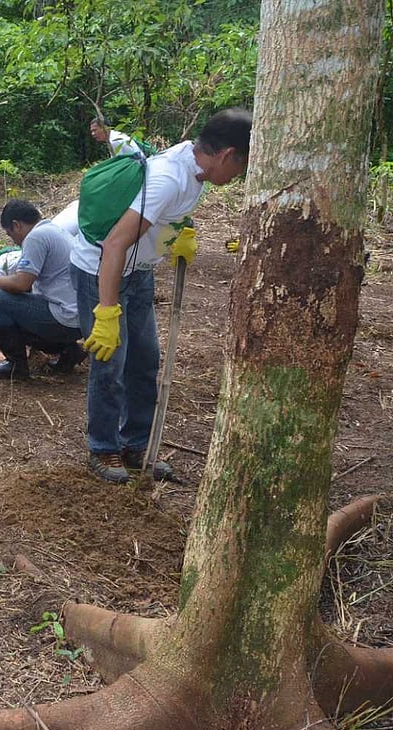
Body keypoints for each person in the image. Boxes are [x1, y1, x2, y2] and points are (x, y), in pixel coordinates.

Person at [72, 107, 252, 484]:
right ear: (226, 154)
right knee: (111, 362)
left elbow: (163, 211)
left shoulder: (193, 162)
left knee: (145, 360)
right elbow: (114, 245)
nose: (238, 176)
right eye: (241, 166)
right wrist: (107, 313)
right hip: (102, 271)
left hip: (138, 273)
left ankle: (137, 444)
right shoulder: (168, 179)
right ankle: (103, 448)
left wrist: (181, 230)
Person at [0, 200, 83, 380]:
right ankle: (70, 351)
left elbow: (21, 283)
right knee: (20, 309)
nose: (13, 241)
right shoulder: (55, 231)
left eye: (10, 234)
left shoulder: (36, 237)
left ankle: (15, 365)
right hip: (80, 319)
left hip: (63, 317)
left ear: (16, 225)